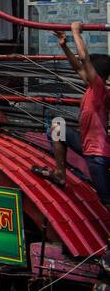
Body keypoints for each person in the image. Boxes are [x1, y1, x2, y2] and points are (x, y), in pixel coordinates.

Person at [32, 21, 110, 203]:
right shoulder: (93, 88)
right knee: (58, 126)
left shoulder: (99, 89)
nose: (85, 73)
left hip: (97, 156)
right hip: (89, 148)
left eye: (89, 71)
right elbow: (79, 66)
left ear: (96, 75)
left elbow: (84, 59)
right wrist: (64, 45)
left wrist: (76, 32)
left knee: (107, 202)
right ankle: (60, 173)